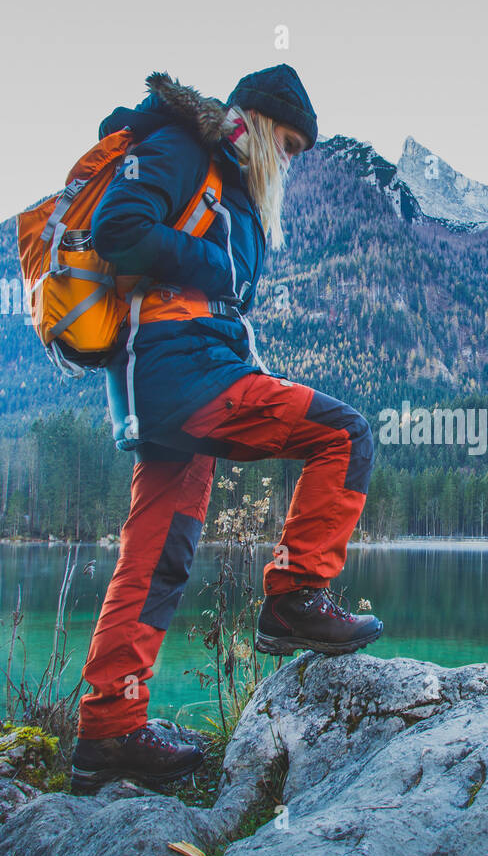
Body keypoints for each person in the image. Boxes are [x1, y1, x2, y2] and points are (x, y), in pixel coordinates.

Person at [69, 65, 383, 796]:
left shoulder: (230, 185)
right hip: (181, 378)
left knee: (156, 559)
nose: (293, 160)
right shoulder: (184, 148)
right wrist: (218, 266)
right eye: (291, 143)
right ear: (258, 125)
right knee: (343, 436)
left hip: (176, 382)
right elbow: (119, 228)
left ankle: (108, 733)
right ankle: (295, 598)